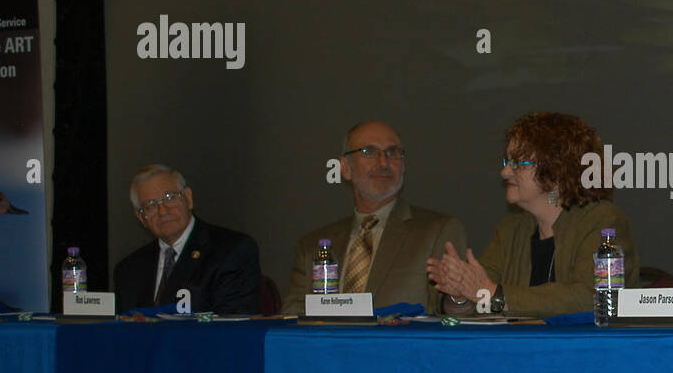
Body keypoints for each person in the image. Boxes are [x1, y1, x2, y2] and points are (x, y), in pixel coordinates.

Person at [427, 111, 638, 318]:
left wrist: (493, 293)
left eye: (518, 163)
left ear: (557, 170)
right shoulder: (510, 231)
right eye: (507, 162)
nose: (505, 172)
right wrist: (459, 296)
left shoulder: (603, 221)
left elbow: (591, 297)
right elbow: (480, 294)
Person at [284, 120, 467, 314]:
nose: (383, 163)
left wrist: (458, 298)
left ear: (403, 166)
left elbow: (455, 316)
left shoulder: (436, 232)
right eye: (369, 152)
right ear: (345, 167)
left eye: (393, 152)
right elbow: (291, 317)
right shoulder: (311, 246)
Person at [113, 165, 262, 314]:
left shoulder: (231, 251)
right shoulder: (128, 270)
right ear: (141, 217)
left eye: (169, 198)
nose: (162, 211)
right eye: (150, 206)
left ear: (188, 198)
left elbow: (232, 320)